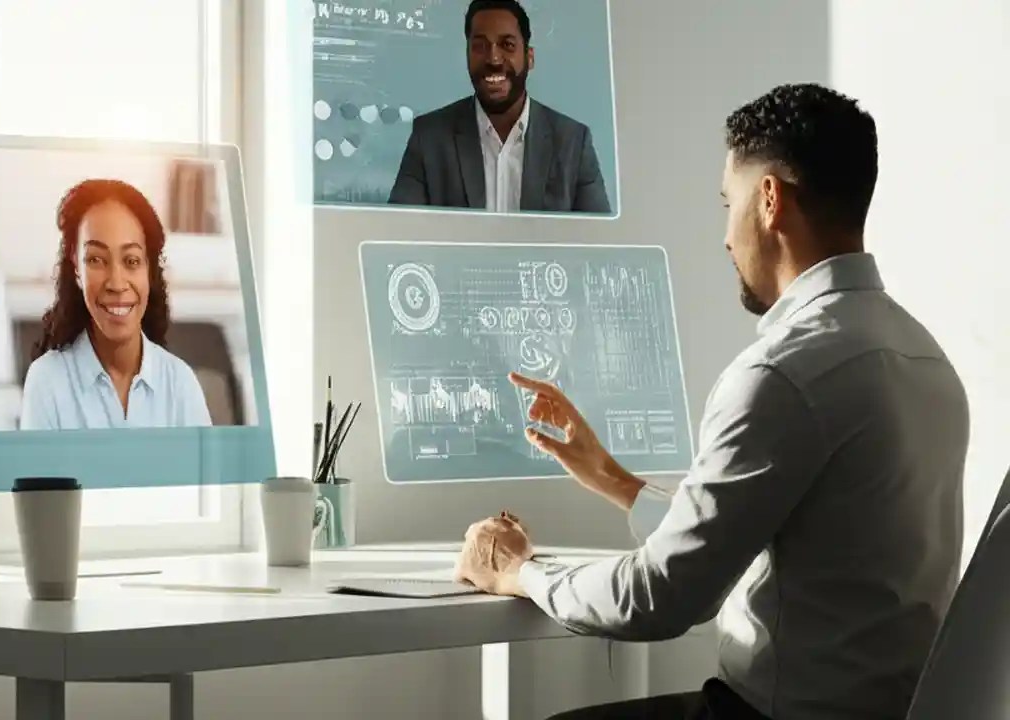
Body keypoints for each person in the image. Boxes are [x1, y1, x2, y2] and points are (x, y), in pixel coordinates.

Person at [454, 83, 970, 719]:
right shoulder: (926, 360)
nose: (726, 236)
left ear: (770, 200)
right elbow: (787, 533)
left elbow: (662, 597)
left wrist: (518, 572)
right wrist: (613, 479)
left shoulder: (781, 374)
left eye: (729, 203)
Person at [20, 178, 211, 430]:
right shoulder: (47, 380)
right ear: (76, 267)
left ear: (149, 270)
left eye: (131, 261)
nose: (116, 283)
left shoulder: (180, 382)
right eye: (96, 260)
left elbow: (207, 471)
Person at [386, 0, 611, 214]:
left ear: (529, 57)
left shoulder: (573, 142)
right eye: (480, 46)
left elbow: (597, 243)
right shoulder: (429, 138)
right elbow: (399, 234)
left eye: (507, 45)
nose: (493, 58)